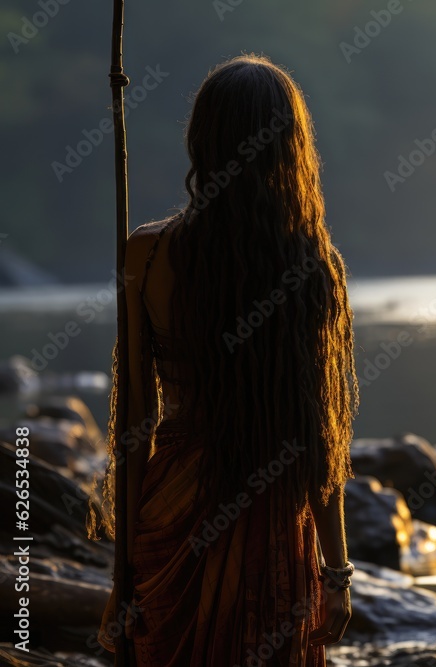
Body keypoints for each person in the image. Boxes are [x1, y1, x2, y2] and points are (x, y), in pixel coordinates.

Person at [89, 54, 358, 665]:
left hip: (172, 509)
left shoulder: (146, 255)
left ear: (200, 140)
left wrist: (121, 578)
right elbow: (318, 435)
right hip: (269, 519)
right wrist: (336, 572)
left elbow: (132, 428)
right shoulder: (312, 265)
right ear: (290, 147)